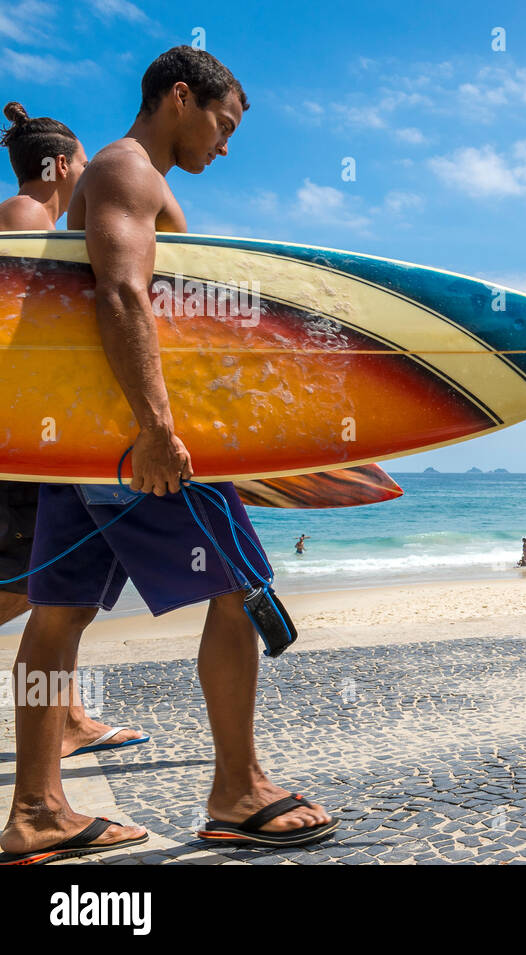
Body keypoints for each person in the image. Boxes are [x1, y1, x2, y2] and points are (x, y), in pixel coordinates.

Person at [3, 49, 336, 866]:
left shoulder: (123, 175)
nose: (225, 146)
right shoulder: (127, 171)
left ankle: (39, 810)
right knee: (240, 591)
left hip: (84, 441)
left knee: (58, 615)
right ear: (180, 97)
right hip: (135, 442)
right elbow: (120, 293)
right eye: (222, 125)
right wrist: (157, 426)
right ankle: (238, 789)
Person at [0, 103, 149, 763]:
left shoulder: (31, 217)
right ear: (59, 166)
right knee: (36, 586)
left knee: (58, 592)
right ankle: (62, 724)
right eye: (82, 166)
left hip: (40, 430)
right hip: (25, 432)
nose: (89, 180)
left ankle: (70, 718)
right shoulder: (27, 215)